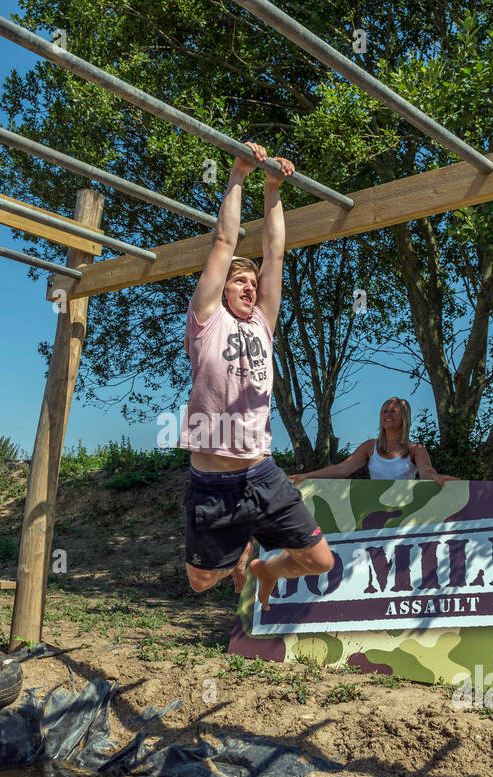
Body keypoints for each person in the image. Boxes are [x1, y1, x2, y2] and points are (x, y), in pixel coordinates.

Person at [180, 141, 334, 612]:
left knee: (318, 560)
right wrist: (238, 175)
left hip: (262, 474)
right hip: (213, 484)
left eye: (252, 281)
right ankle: (238, 545)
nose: (248, 286)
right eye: (238, 281)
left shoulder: (263, 324)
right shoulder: (207, 320)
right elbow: (225, 243)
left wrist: (274, 189)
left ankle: (265, 566)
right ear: (221, 290)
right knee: (202, 582)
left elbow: (276, 252)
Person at [290, 397, 458, 483]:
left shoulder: (416, 449)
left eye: (393, 411)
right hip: (374, 507)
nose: (387, 415)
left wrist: (439, 477)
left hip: (407, 509)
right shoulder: (369, 447)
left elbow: (427, 473)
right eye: (384, 411)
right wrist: (307, 476)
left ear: (404, 418)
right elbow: (342, 469)